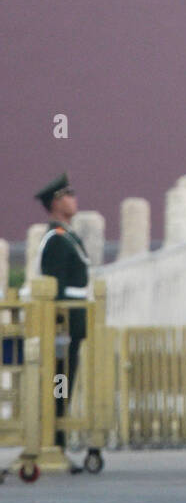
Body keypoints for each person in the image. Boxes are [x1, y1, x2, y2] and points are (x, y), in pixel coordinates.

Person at [34, 174, 89, 468]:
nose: (73, 199)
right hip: (63, 330)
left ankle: (60, 445)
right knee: (60, 386)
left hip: (74, 329)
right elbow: (54, 289)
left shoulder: (66, 236)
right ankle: (54, 445)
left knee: (66, 386)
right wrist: (60, 330)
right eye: (68, 194)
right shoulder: (56, 240)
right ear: (56, 202)